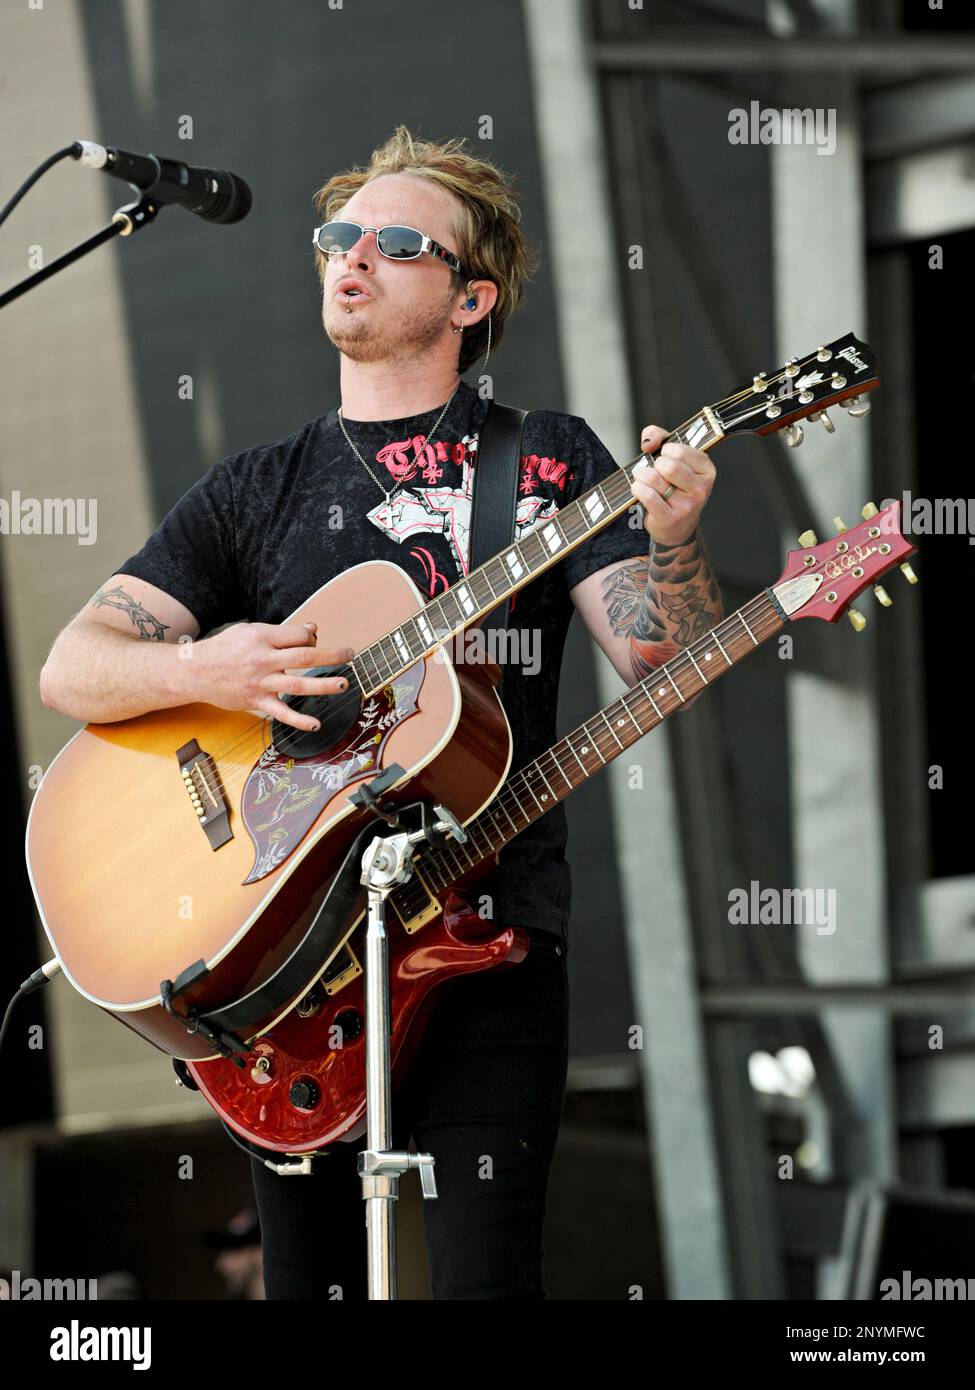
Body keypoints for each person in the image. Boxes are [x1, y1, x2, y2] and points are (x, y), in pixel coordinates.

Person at [38, 126, 721, 1300]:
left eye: (396, 245)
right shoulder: (256, 487)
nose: (351, 258)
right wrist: (209, 671)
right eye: (335, 239)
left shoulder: (548, 463)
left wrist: (676, 535)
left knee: (481, 1284)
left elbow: (660, 648)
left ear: (471, 298)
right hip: (289, 959)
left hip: (483, 941)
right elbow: (75, 666)